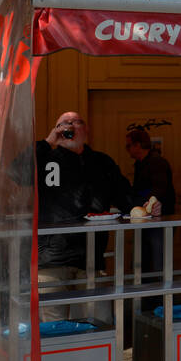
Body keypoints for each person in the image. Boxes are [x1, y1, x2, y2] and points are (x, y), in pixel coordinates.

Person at [36, 112, 132, 320]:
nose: (70, 127)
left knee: (100, 321)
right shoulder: (45, 160)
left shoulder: (101, 162)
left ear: (86, 130)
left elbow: (125, 197)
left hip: (90, 258)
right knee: (53, 326)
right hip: (51, 259)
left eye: (76, 122)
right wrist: (48, 142)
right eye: (64, 124)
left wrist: (147, 206)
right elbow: (16, 171)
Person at [124, 128, 175, 309]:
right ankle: (148, 302)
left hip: (157, 223)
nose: (126, 149)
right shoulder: (142, 164)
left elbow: (159, 190)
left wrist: (146, 206)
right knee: (146, 262)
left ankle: (160, 303)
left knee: (157, 263)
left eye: (128, 145)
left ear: (138, 145)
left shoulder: (155, 163)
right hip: (147, 222)